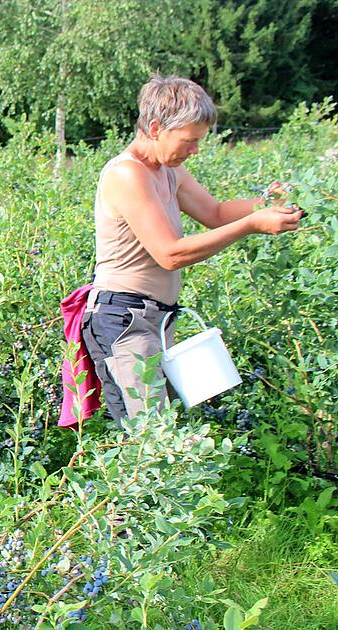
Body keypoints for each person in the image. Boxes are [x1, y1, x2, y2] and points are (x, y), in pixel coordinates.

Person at [82, 75, 301, 421]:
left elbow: (215, 213)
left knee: (164, 430)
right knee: (149, 434)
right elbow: (170, 253)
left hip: (156, 318)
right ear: (156, 128)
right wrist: (251, 225)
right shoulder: (127, 174)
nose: (194, 151)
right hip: (124, 321)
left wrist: (267, 204)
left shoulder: (169, 171)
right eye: (189, 141)